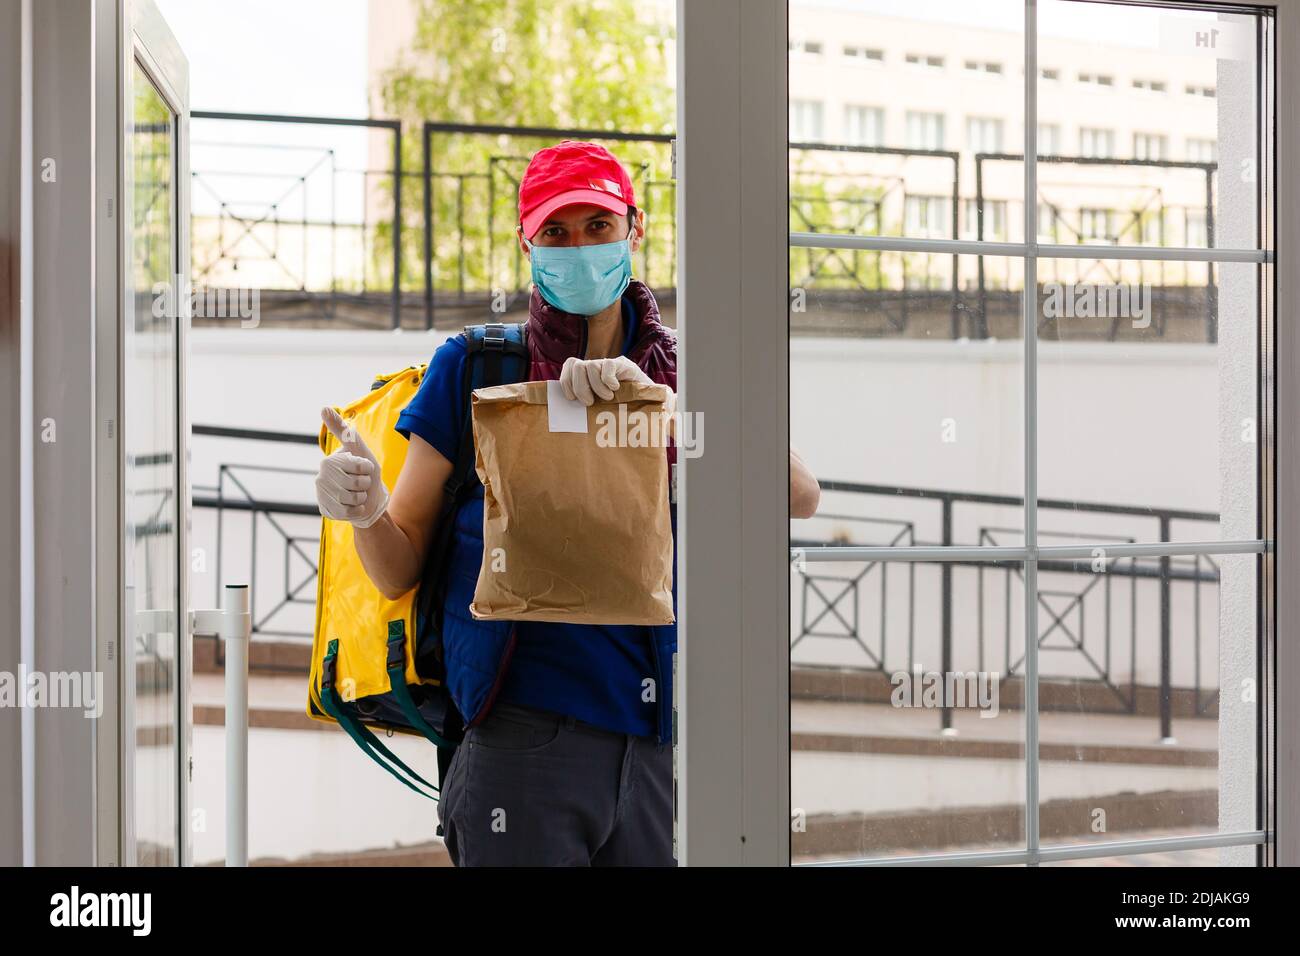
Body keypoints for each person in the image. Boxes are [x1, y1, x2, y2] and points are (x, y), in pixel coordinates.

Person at [315, 140, 818, 867]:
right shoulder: (478, 367)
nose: (578, 247)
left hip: (665, 746)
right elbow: (397, 569)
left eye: (597, 226)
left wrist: (663, 411)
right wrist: (363, 510)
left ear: (633, 230)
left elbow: (801, 494)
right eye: (555, 231)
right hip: (521, 744)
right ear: (527, 244)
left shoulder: (687, 369)